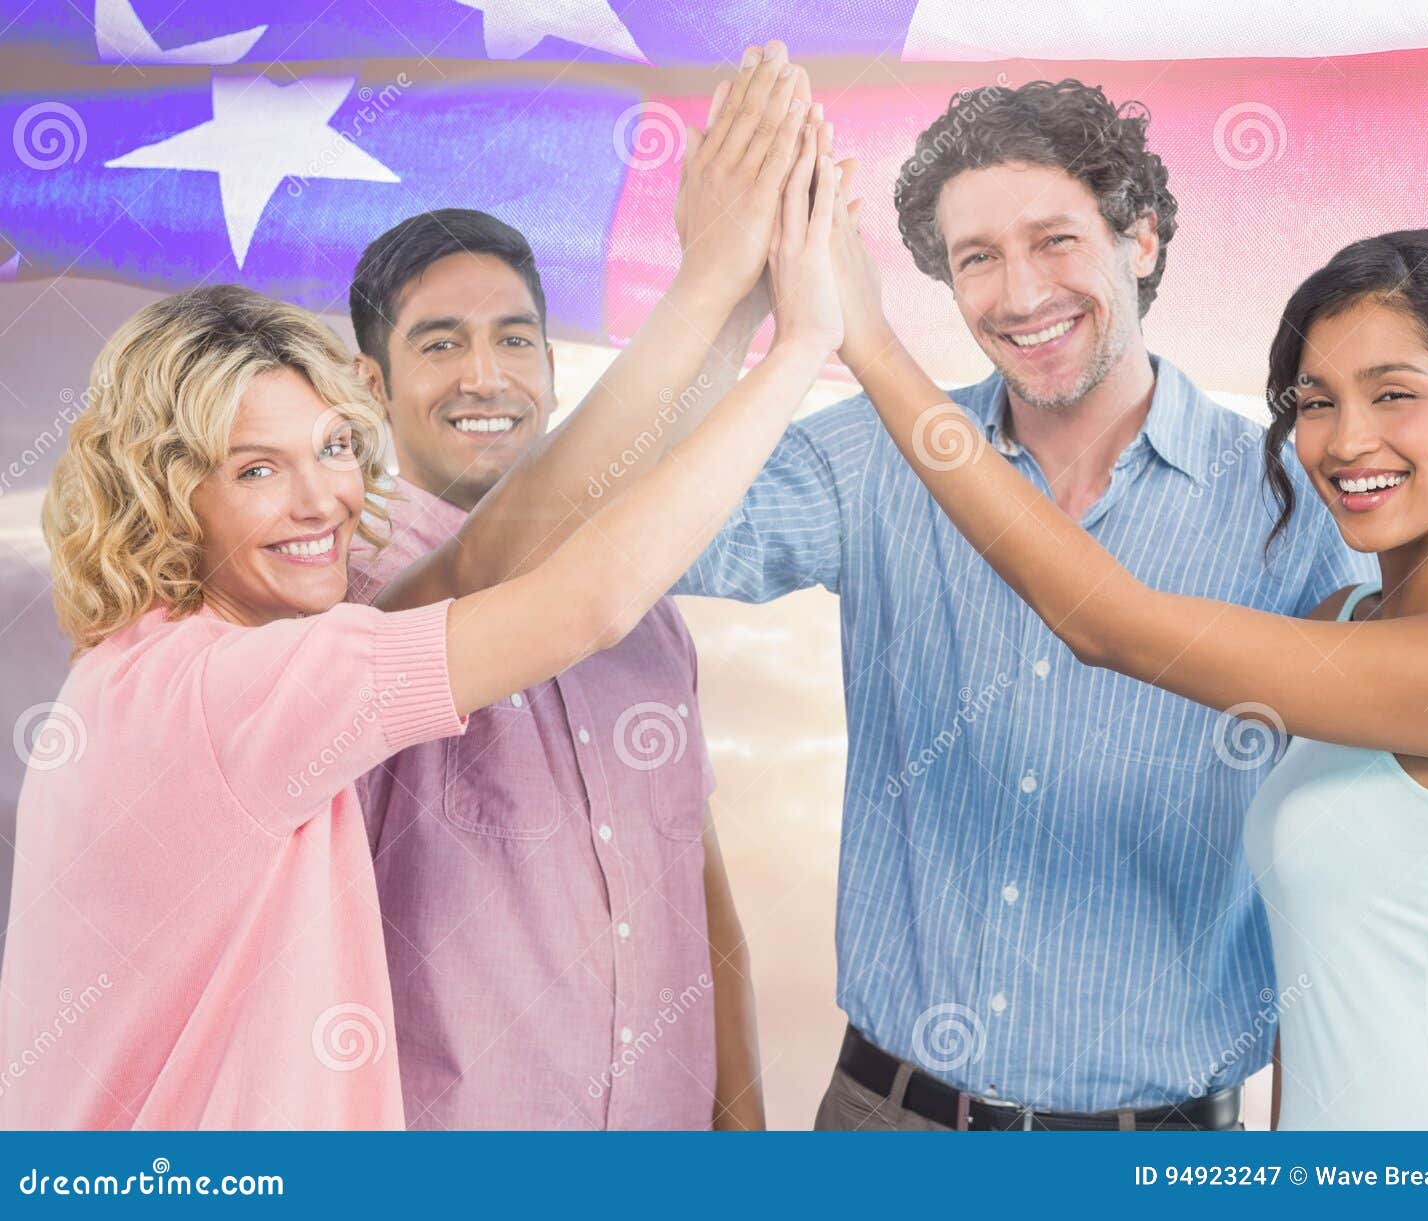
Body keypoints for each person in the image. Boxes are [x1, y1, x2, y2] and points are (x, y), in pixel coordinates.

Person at [0, 109, 842, 1128]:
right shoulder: (233, 684)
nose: (323, 503)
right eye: (256, 469)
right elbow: (583, 598)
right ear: (167, 488)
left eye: (333, 449)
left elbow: (491, 560)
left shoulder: (208, 653)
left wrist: (732, 297)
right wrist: (797, 341)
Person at [575, 65, 1375, 1130]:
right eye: (977, 258)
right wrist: (721, 292)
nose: (1020, 294)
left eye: (1055, 240)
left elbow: (1344, 883)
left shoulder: (1298, 510)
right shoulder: (867, 457)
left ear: (1139, 239)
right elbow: (618, 535)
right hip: (884, 1128)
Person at [829, 202, 1428, 1128]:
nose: (1346, 441)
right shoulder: (1346, 620)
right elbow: (1315, 984)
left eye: (1393, 394)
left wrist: (870, 344)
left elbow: (1111, 624)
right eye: (1316, 401)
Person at [340, 45, 812, 1129]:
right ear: (372, 383)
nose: (487, 375)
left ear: (553, 371)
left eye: (516, 340)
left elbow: (695, 879)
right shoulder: (352, 600)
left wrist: (744, 1128)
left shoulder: (645, 611)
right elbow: (497, 570)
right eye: (441, 344)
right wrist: (721, 296)